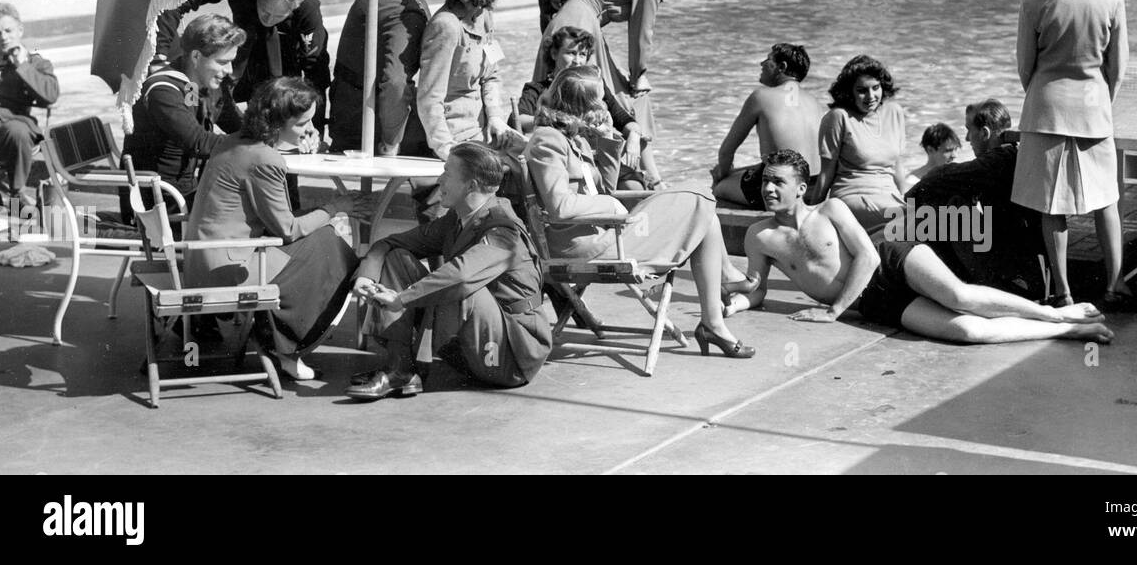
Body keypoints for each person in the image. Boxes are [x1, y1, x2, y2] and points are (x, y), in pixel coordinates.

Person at [725, 150, 1111, 345]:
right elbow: (756, 288)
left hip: (892, 257)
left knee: (959, 295)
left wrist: (835, 310)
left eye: (777, 182)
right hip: (873, 303)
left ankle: (1057, 313)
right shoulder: (759, 236)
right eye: (764, 182)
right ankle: (1066, 331)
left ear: (800, 188)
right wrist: (735, 302)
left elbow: (869, 255)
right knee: (968, 332)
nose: (768, 189)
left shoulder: (831, 209)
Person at [526, 65, 756, 359]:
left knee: (702, 205)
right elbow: (560, 206)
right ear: (583, 105)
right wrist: (608, 206)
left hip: (607, 234)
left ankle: (713, 321)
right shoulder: (548, 141)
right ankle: (719, 300)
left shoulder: (575, 137)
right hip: (587, 248)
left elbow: (605, 188)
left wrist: (608, 139)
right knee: (699, 196)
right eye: (600, 101)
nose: (606, 106)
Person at [184, 78, 370, 380]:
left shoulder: (233, 141)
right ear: (276, 123)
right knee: (329, 245)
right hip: (231, 268)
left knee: (323, 237)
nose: (309, 130)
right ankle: (287, 346)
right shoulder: (265, 159)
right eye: (301, 124)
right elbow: (288, 230)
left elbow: (279, 222)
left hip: (204, 260)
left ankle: (281, 337)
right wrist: (337, 207)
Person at [347, 143, 552, 399]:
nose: (439, 180)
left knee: (460, 286)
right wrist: (366, 276)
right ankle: (399, 368)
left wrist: (401, 299)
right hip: (473, 342)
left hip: (512, 354)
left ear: (472, 185)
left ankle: (408, 369)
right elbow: (390, 243)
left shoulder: (503, 229)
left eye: (447, 174)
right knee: (397, 257)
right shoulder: (458, 219)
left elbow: (462, 276)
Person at [1013, 0, 1137, 312]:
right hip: (1093, 108)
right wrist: (1101, 100)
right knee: (1107, 201)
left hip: (1045, 109)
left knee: (1054, 207)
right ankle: (1116, 284)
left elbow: (1024, 67)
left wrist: (1044, 96)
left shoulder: (1034, 2)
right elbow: (1118, 69)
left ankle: (1063, 292)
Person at [531, 0, 711, 140]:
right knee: (614, 94)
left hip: (573, 18)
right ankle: (637, 151)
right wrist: (638, 75)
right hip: (580, 24)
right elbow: (642, 34)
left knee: (565, 92)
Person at [155, 0, 332, 133]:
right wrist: (159, 54)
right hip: (238, 62)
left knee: (282, 123)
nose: (268, 20)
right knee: (218, 110)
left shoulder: (308, 9)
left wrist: (314, 129)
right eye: (264, 10)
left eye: (279, 16)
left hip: (282, 68)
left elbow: (316, 75)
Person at [903, 100, 1047, 299]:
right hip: (1031, 269)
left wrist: (909, 199)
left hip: (1018, 277)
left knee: (952, 204)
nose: (967, 138)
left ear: (985, 133)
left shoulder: (997, 161)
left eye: (969, 130)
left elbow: (939, 178)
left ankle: (940, 277)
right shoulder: (1014, 153)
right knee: (955, 196)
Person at [329, 0, 453, 155]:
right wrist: (391, 140)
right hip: (366, 121)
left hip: (345, 110)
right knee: (452, 144)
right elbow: (395, 82)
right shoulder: (407, 11)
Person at [416, 0, 530, 162]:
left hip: (481, 132)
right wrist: (446, 149)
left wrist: (496, 117)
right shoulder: (447, 26)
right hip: (452, 139)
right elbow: (429, 98)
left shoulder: (483, 16)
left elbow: (491, 74)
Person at [122, 13, 245, 214]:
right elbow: (199, 142)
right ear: (196, 57)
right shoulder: (163, 90)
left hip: (186, 189)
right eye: (222, 62)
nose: (229, 70)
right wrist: (255, 143)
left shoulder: (195, 84)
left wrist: (281, 135)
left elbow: (237, 123)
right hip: (158, 198)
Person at [518, 25, 659, 188]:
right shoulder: (538, 89)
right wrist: (563, 119)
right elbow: (520, 119)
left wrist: (634, 138)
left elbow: (624, 119)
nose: (577, 60)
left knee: (633, 187)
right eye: (571, 53)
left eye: (582, 54)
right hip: (566, 160)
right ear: (554, 53)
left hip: (600, 158)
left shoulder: (594, 87)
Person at [711, 43, 827, 208]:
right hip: (811, 188)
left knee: (720, 188)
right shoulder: (814, 102)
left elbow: (726, 152)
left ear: (782, 66)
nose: (762, 64)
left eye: (768, 59)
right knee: (739, 172)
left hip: (780, 186)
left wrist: (720, 176)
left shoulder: (761, 97)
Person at [816, 54, 907, 234]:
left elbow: (897, 165)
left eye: (876, 88)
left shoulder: (894, 112)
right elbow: (827, 171)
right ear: (849, 91)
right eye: (862, 90)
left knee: (931, 216)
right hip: (853, 197)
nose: (871, 96)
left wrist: (905, 197)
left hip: (890, 196)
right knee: (923, 222)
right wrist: (812, 210)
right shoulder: (838, 117)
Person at [0, 3, 59, 210]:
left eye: (8, 30)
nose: (3, 37)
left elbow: (50, 96)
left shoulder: (36, 63)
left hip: (12, 130)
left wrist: (23, 66)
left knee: (18, 131)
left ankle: (16, 193)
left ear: (20, 30)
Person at [906, 122, 961, 188]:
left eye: (955, 149)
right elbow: (910, 198)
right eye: (948, 150)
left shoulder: (958, 177)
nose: (954, 155)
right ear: (930, 150)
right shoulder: (912, 182)